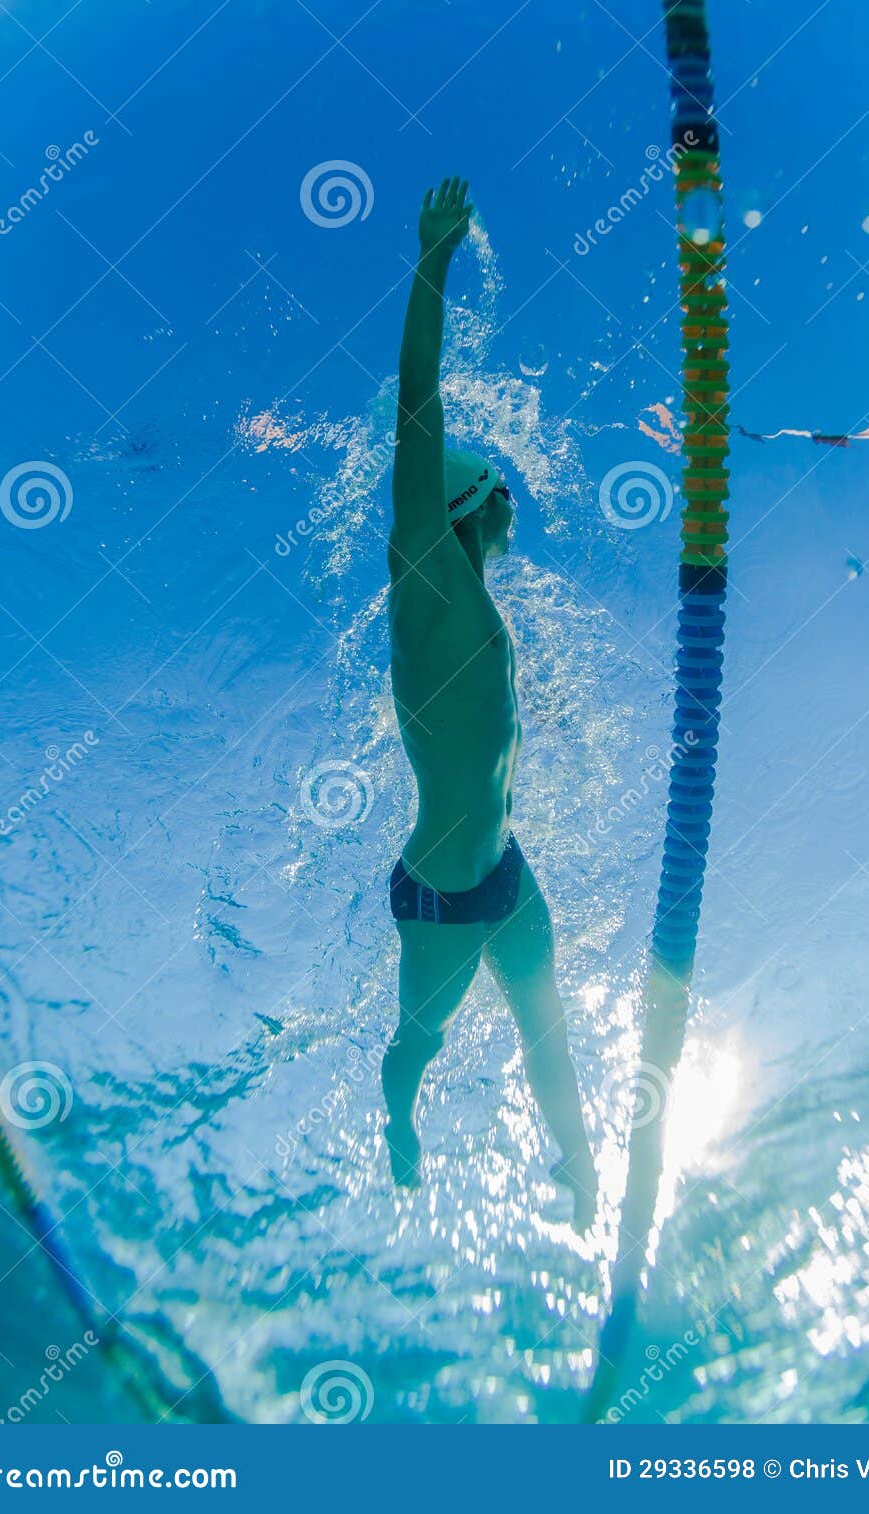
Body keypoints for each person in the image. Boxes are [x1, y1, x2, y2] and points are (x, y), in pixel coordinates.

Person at [382, 176, 597, 1230]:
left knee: (545, 1028)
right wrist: (434, 257)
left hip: (504, 873)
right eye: (501, 484)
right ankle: (398, 1124)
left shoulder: (475, 603)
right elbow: (415, 416)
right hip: (440, 894)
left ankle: (578, 1165)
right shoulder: (426, 574)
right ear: (469, 505)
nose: (518, 494)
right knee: (419, 1040)